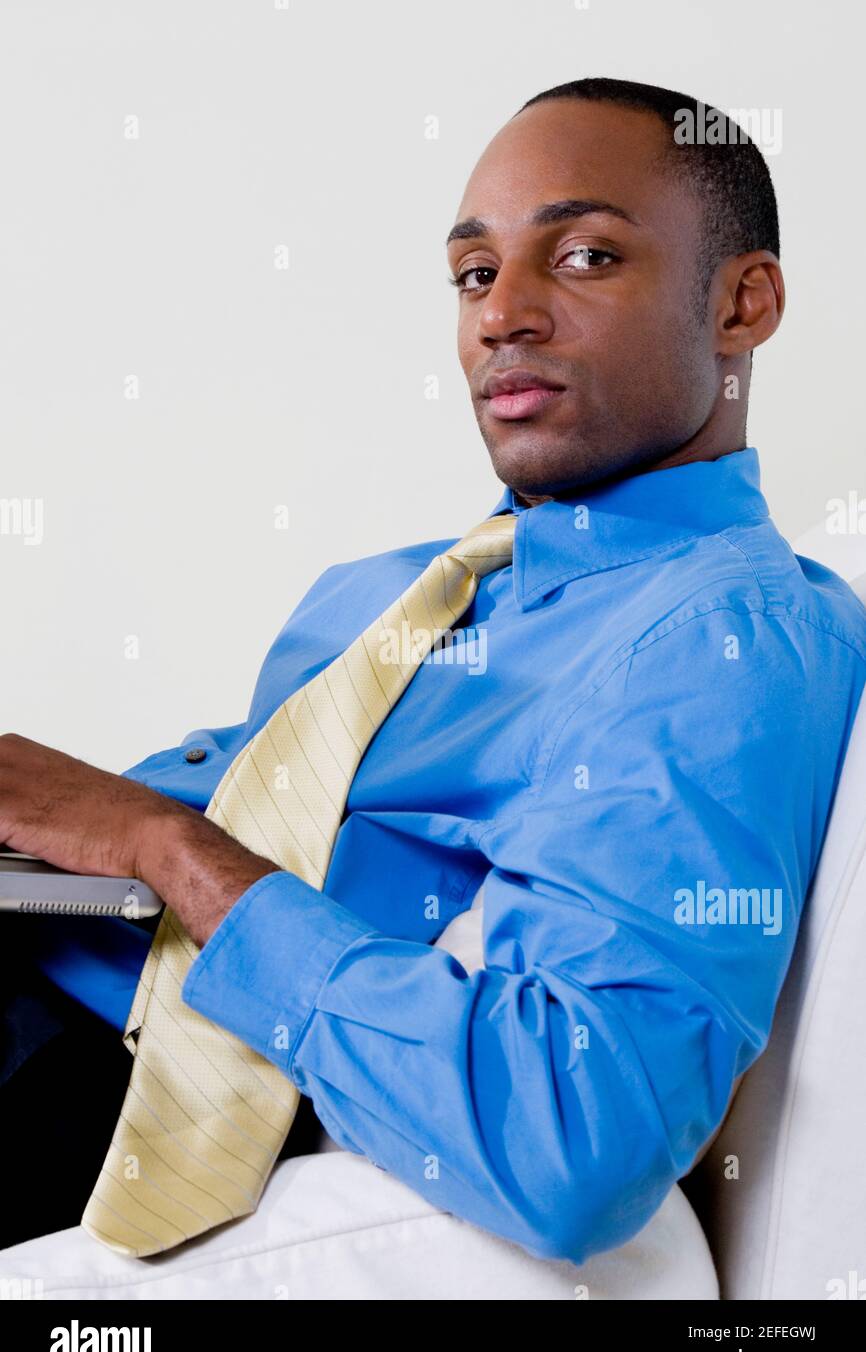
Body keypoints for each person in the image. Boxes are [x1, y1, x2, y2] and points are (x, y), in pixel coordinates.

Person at [2, 78, 865, 1290]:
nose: (502, 315)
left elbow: (571, 1137)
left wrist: (159, 842)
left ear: (741, 300)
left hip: (101, 1091)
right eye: (472, 274)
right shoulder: (386, 593)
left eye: (581, 255)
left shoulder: (727, 635)